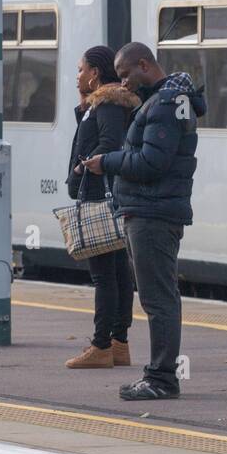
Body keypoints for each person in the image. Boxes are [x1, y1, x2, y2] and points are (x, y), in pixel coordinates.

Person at [82, 42, 205, 401]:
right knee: (161, 297)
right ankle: (160, 373)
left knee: (158, 299)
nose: (123, 84)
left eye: (125, 75)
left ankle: (162, 378)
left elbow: (152, 162)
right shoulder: (171, 99)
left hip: (152, 214)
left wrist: (108, 161)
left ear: (143, 65)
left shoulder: (164, 105)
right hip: (154, 211)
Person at [64, 46, 139, 370]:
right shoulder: (100, 105)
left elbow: (109, 144)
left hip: (98, 196)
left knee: (104, 276)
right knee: (118, 271)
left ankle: (101, 344)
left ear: (95, 73)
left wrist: (82, 169)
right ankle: (119, 343)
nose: (77, 75)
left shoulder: (106, 104)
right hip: (109, 195)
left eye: (81, 69)